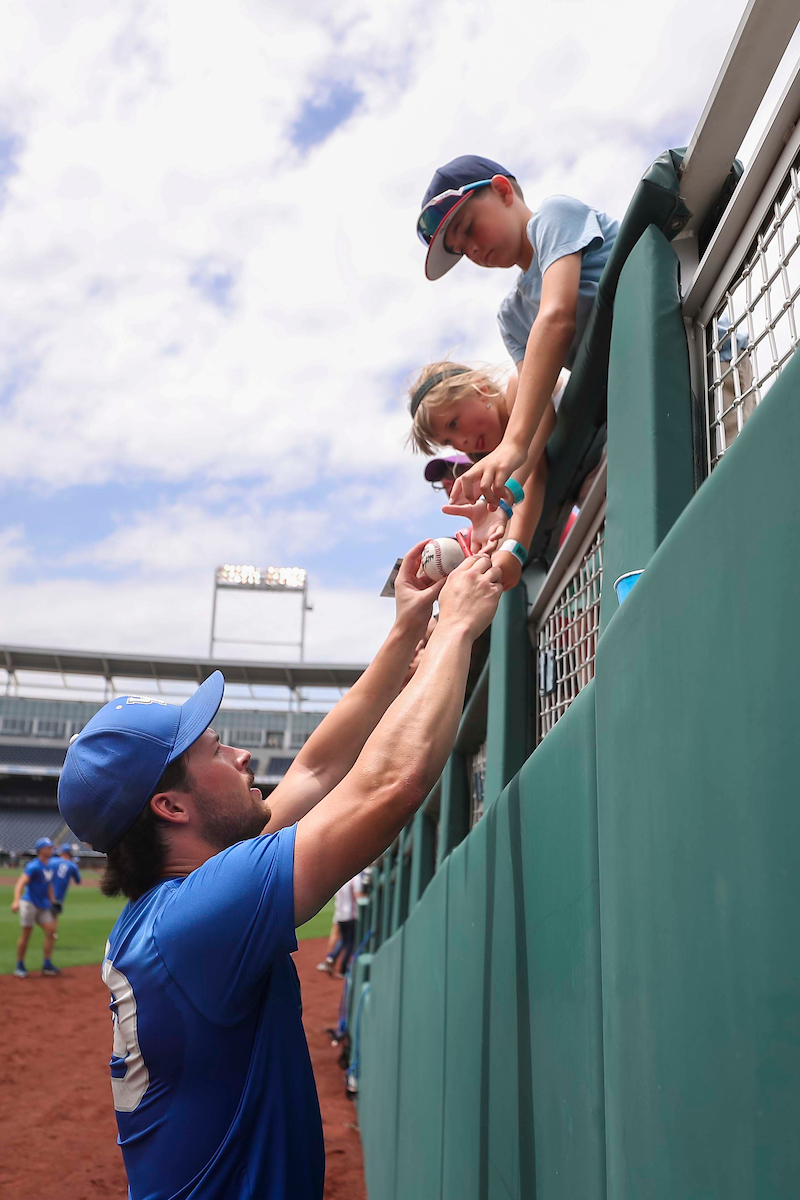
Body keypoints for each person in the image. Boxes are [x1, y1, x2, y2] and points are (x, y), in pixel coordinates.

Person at [56, 540, 502, 1200]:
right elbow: (391, 785)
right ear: (171, 805)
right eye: (215, 748)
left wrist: (409, 625)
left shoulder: (179, 902)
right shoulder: (196, 918)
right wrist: (458, 625)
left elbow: (319, 770)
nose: (242, 756)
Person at [416, 154, 618, 516]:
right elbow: (538, 412)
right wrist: (502, 497)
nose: (472, 250)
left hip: (698, 352)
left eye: (469, 228)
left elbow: (557, 317)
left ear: (503, 191)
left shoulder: (554, 216)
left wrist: (512, 444)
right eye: (462, 251)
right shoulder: (512, 316)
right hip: (634, 402)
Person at [409, 360, 568, 590]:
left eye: (453, 423)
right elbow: (505, 520)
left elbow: (534, 473)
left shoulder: (520, 386)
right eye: (447, 442)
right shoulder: (497, 464)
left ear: (480, 388)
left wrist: (514, 549)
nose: (460, 443)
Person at [10, 836, 59, 978]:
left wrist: (53, 901)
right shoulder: (34, 866)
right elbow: (21, 883)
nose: (51, 850)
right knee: (26, 934)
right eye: (49, 847)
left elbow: (48, 885)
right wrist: (16, 900)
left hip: (43, 905)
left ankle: (47, 964)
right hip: (29, 903)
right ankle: (19, 965)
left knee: (51, 932)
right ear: (41, 850)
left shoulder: (49, 865)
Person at [316, 873, 365, 977]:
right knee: (350, 943)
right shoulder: (356, 879)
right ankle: (343, 969)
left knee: (343, 940)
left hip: (340, 915)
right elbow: (358, 896)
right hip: (351, 915)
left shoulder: (340, 879)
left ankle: (331, 959)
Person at [51, 843, 82, 921]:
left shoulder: (52, 861)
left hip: (47, 893)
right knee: (54, 917)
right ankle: (52, 933)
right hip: (59, 896)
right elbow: (78, 881)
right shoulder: (72, 865)